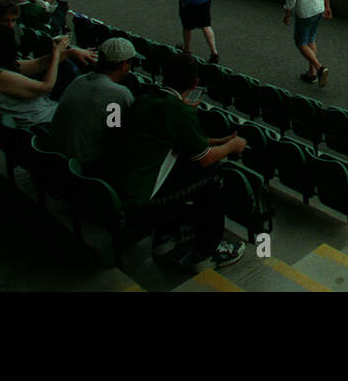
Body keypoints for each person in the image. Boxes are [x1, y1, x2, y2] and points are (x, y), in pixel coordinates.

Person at [101, 53, 246, 271]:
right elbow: (205, 158)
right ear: (195, 83)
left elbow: (173, 138)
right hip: (143, 198)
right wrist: (232, 145)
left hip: (121, 184)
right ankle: (209, 251)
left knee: (188, 167)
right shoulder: (180, 111)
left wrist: (218, 141)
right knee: (213, 174)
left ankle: (166, 235)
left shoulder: (144, 99)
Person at [0, 2, 95, 128]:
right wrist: (56, 55)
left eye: (13, 21)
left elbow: (34, 64)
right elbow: (45, 87)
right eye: (6, 21)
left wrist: (68, 52)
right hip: (40, 118)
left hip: (28, 112)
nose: (11, 26)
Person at [50, 37, 137, 172]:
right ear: (124, 65)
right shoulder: (118, 95)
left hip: (54, 158)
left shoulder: (78, 80)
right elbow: (117, 134)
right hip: (80, 167)